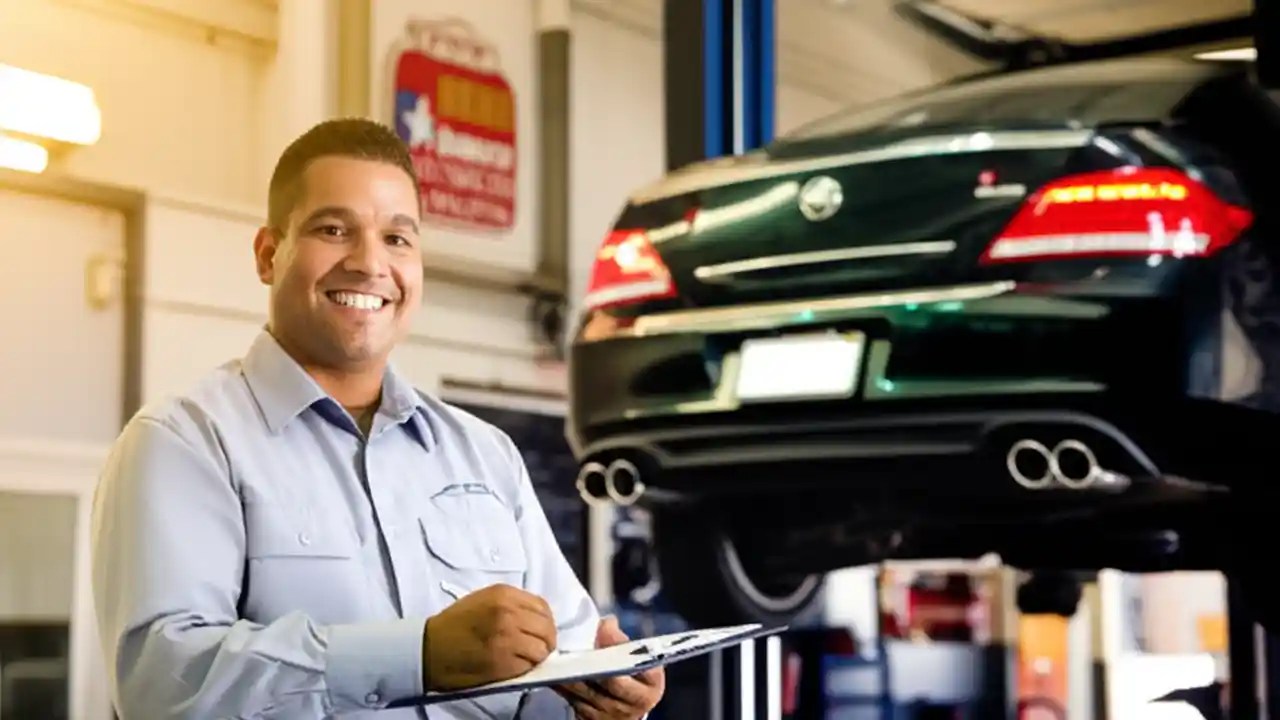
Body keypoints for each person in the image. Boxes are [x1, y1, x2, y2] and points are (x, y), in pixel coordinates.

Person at [89, 118, 665, 719]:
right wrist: (415, 654)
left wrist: (600, 696)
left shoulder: (486, 456)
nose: (369, 263)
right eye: (334, 229)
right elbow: (164, 688)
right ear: (268, 254)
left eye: (398, 238)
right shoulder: (186, 445)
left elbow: (558, 664)